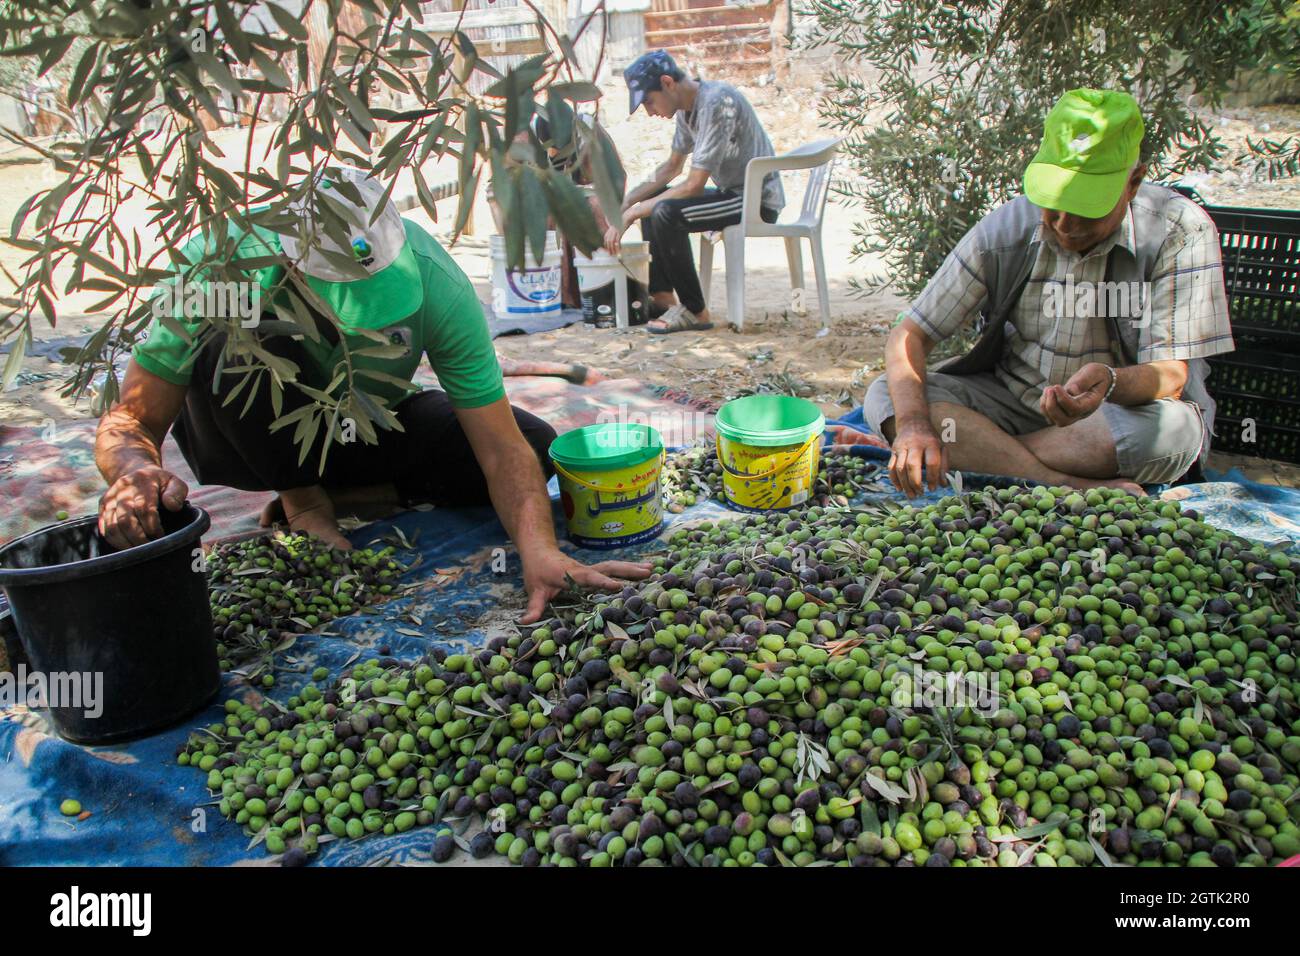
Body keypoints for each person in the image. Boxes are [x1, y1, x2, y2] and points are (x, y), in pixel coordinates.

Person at [95, 167, 648, 623]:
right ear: (292, 267)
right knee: (236, 339)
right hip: (244, 439)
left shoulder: (435, 278)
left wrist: (540, 551)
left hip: (355, 424)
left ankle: (348, 495)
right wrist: (133, 472)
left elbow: (502, 450)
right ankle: (305, 505)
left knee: (533, 440)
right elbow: (131, 420)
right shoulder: (223, 267)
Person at [864, 89, 1233, 498]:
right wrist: (915, 425)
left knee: (1172, 433)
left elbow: (1171, 376)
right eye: (1053, 204)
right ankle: (1062, 483)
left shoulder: (1179, 233)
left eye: (1086, 208)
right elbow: (909, 336)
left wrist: (1109, 382)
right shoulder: (1007, 228)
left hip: (1113, 418)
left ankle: (993, 461)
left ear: (1134, 182)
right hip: (1011, 404)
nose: (1064, 223)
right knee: (886, 393)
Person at [604, 50, 785, 334]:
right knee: (656, 202)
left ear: (667, 83)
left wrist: (635, 211)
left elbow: (694, 184)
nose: (650, 112)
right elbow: (671, 167)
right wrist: (628, 201)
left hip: (754, 200)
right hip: (731, 194)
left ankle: (696, 311)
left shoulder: (716, 102)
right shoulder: (687, 111)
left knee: (663, 211)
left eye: (649, 102)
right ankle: (663, 298)